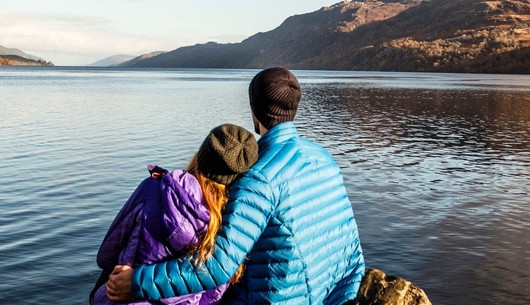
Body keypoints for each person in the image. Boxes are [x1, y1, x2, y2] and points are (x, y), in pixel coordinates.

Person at [107, 67, 365, 305]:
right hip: (337, 292)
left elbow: (218, 266)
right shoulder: (322, 157)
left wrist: (137, 282)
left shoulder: (259, 179)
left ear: (254, 111)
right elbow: (350, 242)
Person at [91, 124, 259, 305]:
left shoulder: (153, 188)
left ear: (200, 156)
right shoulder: (232, 222)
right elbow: (214, 290)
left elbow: (106, 254)